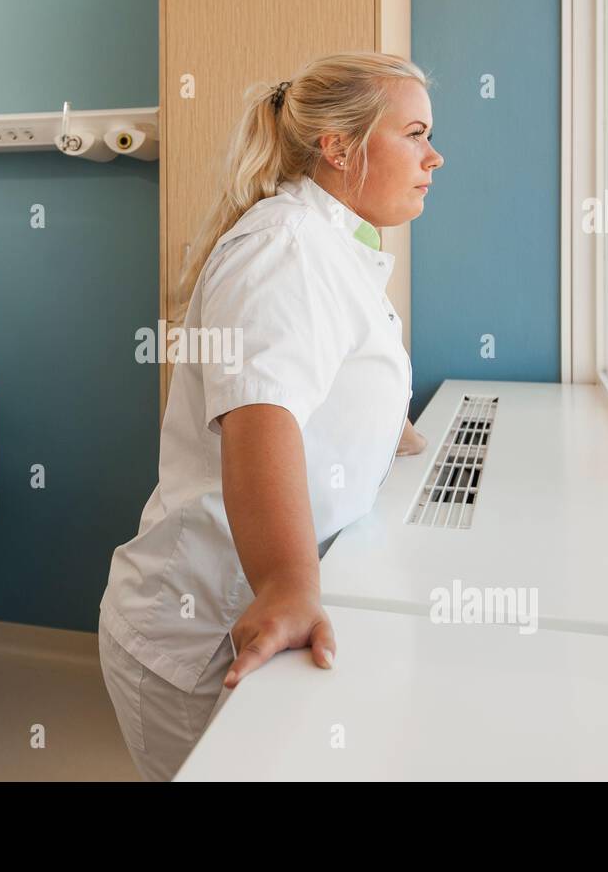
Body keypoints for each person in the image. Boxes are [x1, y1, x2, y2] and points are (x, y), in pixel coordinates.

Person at [98, 51, 443, 781]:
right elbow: (263, 418)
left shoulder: (333, 247)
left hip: (241, 601)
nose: (433, 157)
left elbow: (324, 384)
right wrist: (289, 583)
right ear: (339, 147)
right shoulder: (284, 248)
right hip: (200, 630)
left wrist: (388, 429)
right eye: (414, 134)